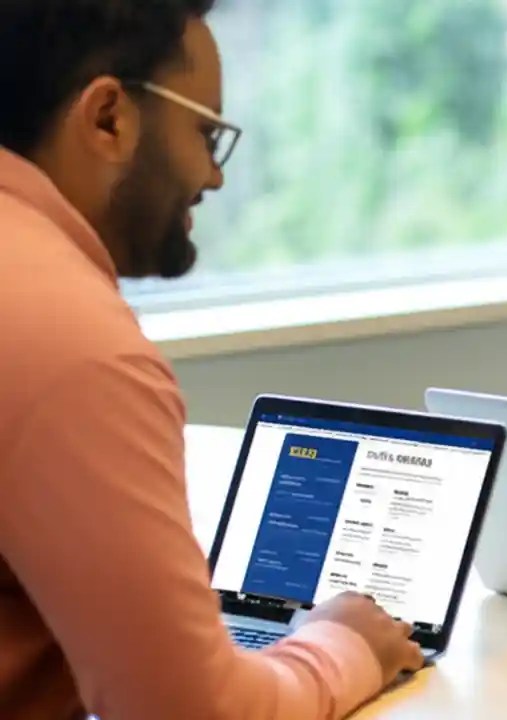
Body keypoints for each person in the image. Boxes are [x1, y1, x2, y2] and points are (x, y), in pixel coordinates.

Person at [0, 2, 423, 718]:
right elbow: (194, 711)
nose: (214, 177)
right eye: (206, 133)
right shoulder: (73, 344)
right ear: (108, 118)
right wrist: (345, 644)